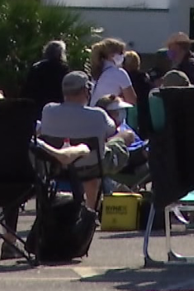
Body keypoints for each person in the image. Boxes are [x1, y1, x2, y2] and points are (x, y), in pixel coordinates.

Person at [38, 72, 136, 211]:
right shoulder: (97, 114)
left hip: (57, 168)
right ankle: (90, 211)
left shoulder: (48, 111)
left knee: (92, 161)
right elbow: (112, 130)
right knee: (125, 136)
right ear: (86, 91)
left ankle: (88, 210)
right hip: (92, 167)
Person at [22, 40, 70, 112]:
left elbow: (27, 90)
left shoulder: (36, 67)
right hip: (56, 109)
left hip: (36, 107)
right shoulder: (63, 69)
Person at [88, 38, 136, 106]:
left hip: (94, 111)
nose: (123, 56)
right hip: (110, 112)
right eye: (121, 53)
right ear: (111, 55)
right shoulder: (119, 73)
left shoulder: (95, 71)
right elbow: (132, 100)